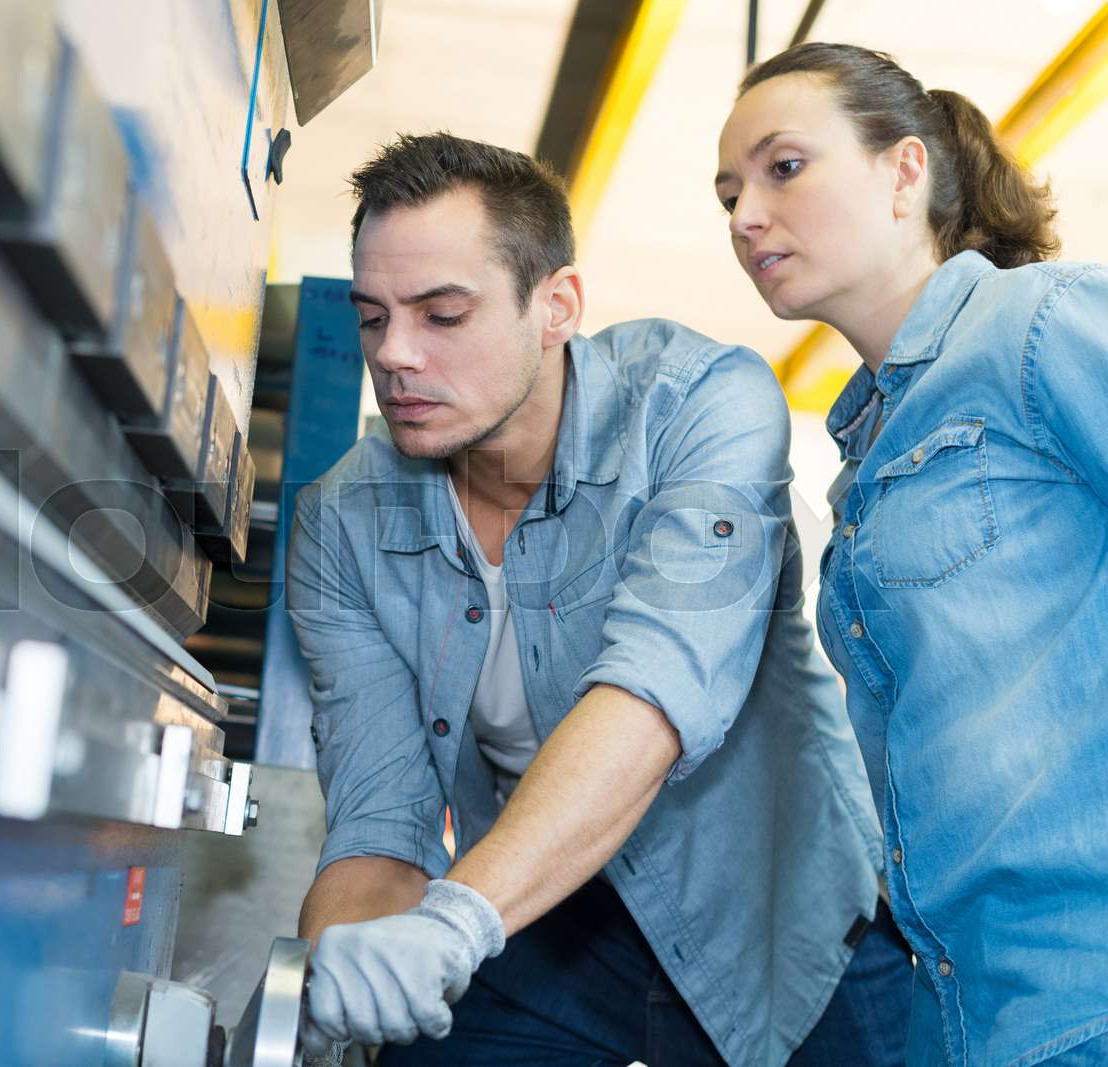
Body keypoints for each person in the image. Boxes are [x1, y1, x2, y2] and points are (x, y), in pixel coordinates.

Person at [285, 131, 907, 1067]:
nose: (396, 356)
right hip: (544, 918)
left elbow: (654, 693)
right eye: (372, 319)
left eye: (442, 314)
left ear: (557, 306)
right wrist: (339, 978)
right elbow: (380, 811)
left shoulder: (702, 405)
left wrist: (451, 921)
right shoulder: (341, 523)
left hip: (788, 924)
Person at [716, 42, 1108, 1066]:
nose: (744, 215)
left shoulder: (1037, 326)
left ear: (904, 172)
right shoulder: (860, 466)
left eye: (782, 167)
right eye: (728, 191)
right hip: (969, 1007)